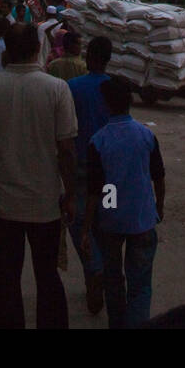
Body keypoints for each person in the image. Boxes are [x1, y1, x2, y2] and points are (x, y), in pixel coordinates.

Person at [0, 22, 77, 330]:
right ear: (37, 48)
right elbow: (66, 149)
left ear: (6, 51)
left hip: (1, 202)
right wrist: (71, 194)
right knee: (47, 276)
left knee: (5, 281)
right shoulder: (57, 89)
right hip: (44, 201)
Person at [83, 77, 165, 330]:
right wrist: (159, 207)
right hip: (142, 216)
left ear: (106, 104)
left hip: (110, 217)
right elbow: (158, 177)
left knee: (113, 279)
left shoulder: (99, 140)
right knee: (140, 284)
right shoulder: (146, 135)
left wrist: (86, 227)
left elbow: (94, 190)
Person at [67, 36, 112, 314]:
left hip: (80, 164)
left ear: (88, 56)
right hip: (108, 168)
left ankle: (93, 268)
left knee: (78, 221)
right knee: (104, 223)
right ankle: (100, 273)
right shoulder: (114, 88)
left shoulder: (73, 87)